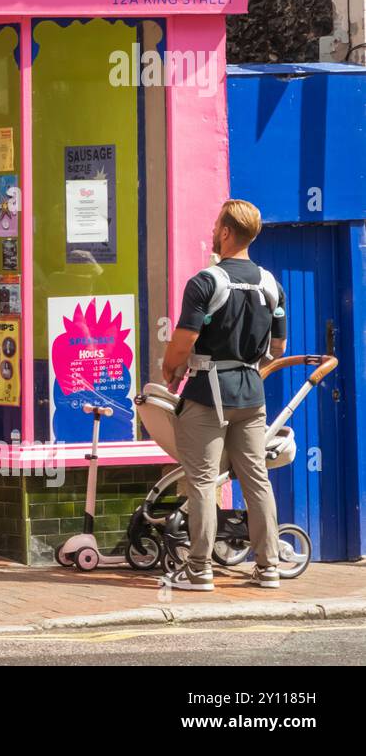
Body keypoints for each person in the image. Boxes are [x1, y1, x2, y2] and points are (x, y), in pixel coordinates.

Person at [161, 200, 286, 591]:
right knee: (257, 480)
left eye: (217, 225)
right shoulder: (271, 283)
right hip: (252, 395)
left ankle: (199, 570)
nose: (213, 230)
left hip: (207, 394)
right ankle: (268, 568)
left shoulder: (205, 281)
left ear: (227, 233)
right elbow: (279, 347)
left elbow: (184, 340)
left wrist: (170, 368)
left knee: (201, 481)